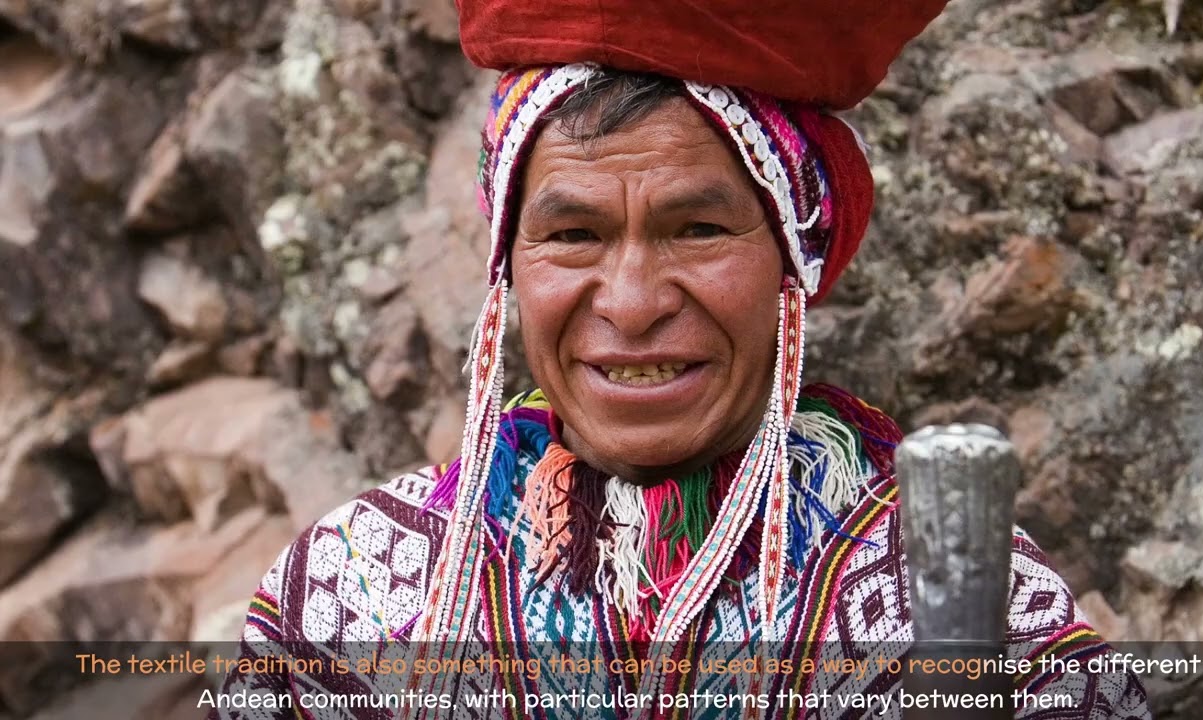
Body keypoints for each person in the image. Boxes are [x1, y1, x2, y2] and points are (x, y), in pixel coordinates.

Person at [210, 2, 1151, 718]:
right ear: (508, 270)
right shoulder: (350, 597)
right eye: (572, 235)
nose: (630, 301)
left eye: (698, 229)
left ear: (794, 259)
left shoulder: (968, 616)